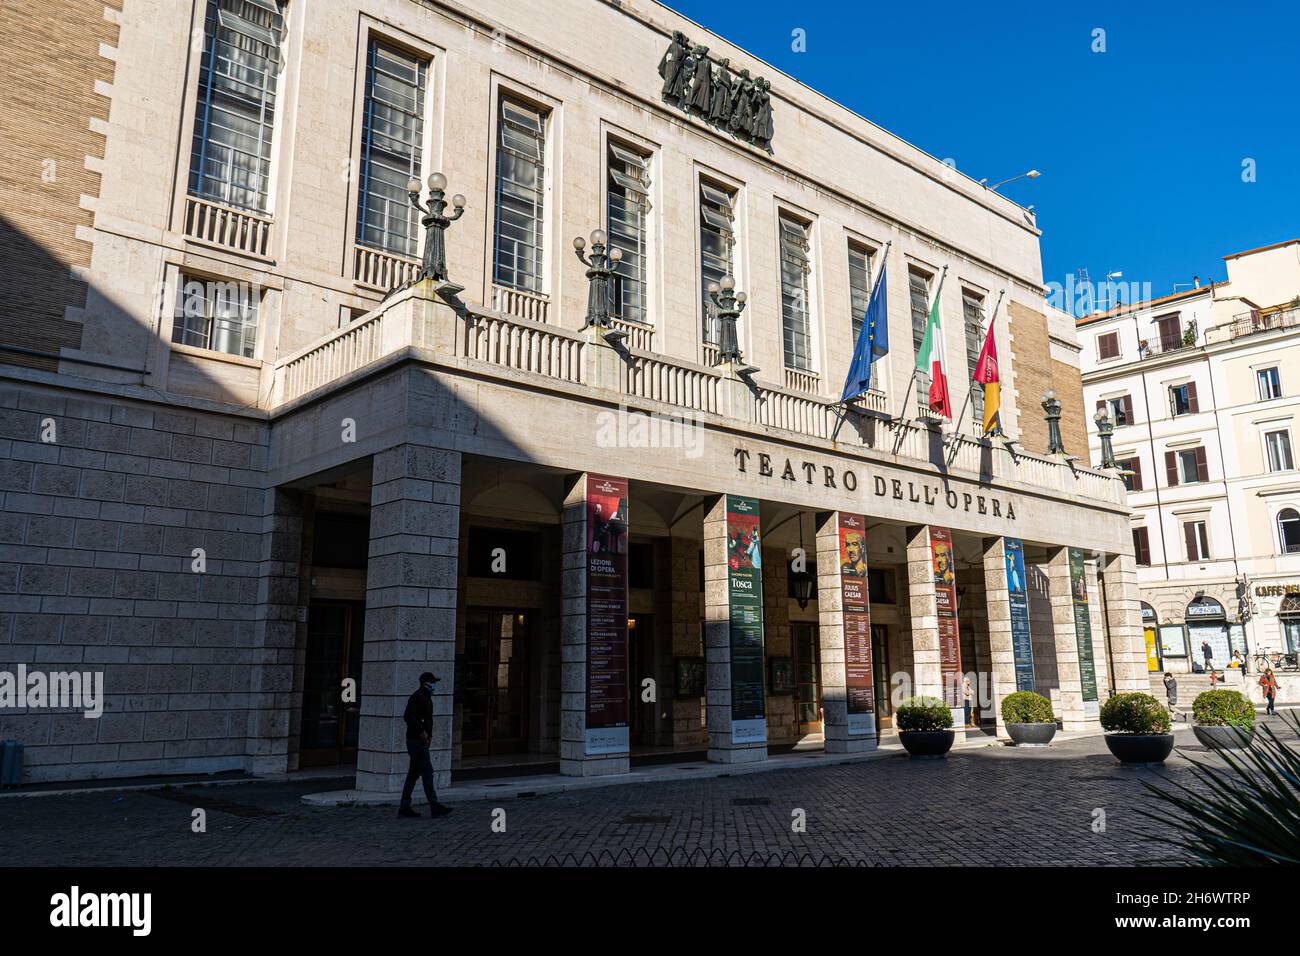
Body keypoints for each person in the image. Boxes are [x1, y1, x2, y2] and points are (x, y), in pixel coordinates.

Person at [398, 672, 453, 818]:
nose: (434, 686)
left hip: (421, 741)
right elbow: (408, 716)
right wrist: (421, 731)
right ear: (425, 683)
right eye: (432, 683)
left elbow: (428, 719)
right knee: (427, 772)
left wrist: (429, 735)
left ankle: (404, 807)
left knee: (413, 774)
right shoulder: (417, 697)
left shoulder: (426, 697)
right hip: (416, 741)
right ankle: (434, 805)